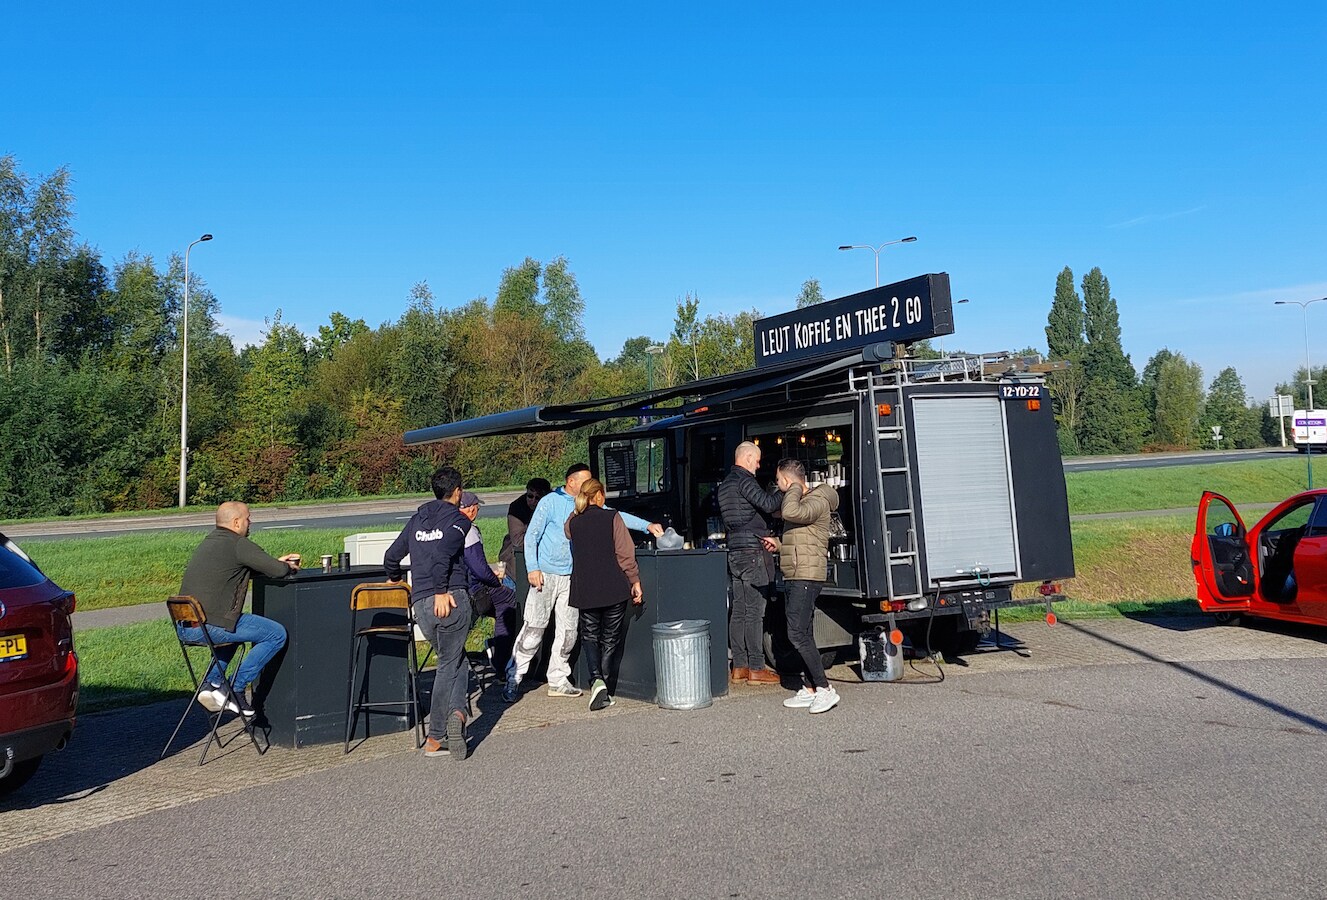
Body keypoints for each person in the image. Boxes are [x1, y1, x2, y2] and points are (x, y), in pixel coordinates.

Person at [507, 463, 662, 702]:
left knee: (568, 632)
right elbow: (532, 535)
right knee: (534, 628)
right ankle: (513, 678)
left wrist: (647, 525)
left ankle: (558, 679)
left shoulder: (586, 504)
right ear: (571, 482)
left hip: (572, 577)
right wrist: (533, 567)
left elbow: (616, 516)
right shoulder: (549, 502)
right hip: (546, 576)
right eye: (585, 480)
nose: (590, 485)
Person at [177, 501, 298, 718]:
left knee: (233, 632)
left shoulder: (210, 542)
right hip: (209, 624)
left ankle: (212, 683)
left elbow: (239, 570)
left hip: (186, 625)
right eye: (248, 518)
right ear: (236, 522)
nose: (250, 523)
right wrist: (285, 565)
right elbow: (278, 571)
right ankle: (235, 687)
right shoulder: (237, 544)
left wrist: (271, 564)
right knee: (276, 634)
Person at [384, 466, 473, 760]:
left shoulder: (416, 520)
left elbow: (391, 556)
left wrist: (395, 578)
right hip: (449, 598)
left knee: (455, 660)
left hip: (421, 604)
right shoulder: (459, 522)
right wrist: (441, 591)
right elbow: (443, 556)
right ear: (457, 492)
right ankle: (437, 735)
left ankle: (457, 715)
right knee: (449, 665)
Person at [564, 478, 643, 711]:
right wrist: (635, 580)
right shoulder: (612, 518)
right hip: (613, 587)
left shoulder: (574, 522)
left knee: (589, 635)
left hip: (584, 588)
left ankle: (596, 680)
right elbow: (625, 554)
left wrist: (578, 509)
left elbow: (568, 530)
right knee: (610, 638)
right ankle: (603, 686)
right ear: (598, 495)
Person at [775, 458, 841, 714]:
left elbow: (791, 513)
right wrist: (779, 545)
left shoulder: (815, 501)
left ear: (788, 480)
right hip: (796, 572)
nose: (778, 486)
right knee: (802, 632)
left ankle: (825, 689)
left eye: (780, 480)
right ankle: (811, 687)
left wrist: (793, 488)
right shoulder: (804, 501)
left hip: (806, 576)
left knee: (797, 633)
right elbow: (803, 540)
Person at [717, 441, 783, 685]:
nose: (758, 464)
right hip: (753, 550)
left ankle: (739, 666)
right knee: (755, 612)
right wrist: (784, 489)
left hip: (734, 550)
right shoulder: (745, 481)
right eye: (756, 459)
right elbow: (767, 504)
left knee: (739, 611)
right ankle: (757, 666)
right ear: (746, 457)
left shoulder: (724, 486)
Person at [458, 491, 519, 678]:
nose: (477, 510)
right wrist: (495, 581)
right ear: (469, 509)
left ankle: (498, 647)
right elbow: (477, 566)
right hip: (472, 590)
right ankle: (501, 659)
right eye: (476, 506)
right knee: (508, 599)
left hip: (453, 588)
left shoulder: (445, 525)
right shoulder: (468, 529)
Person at [499, 478, 552, 576]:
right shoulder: (517, 508)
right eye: (530, 496)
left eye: (537, 498)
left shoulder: (552, 506)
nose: (533, 501)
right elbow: (518, 540)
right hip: (517, 561)